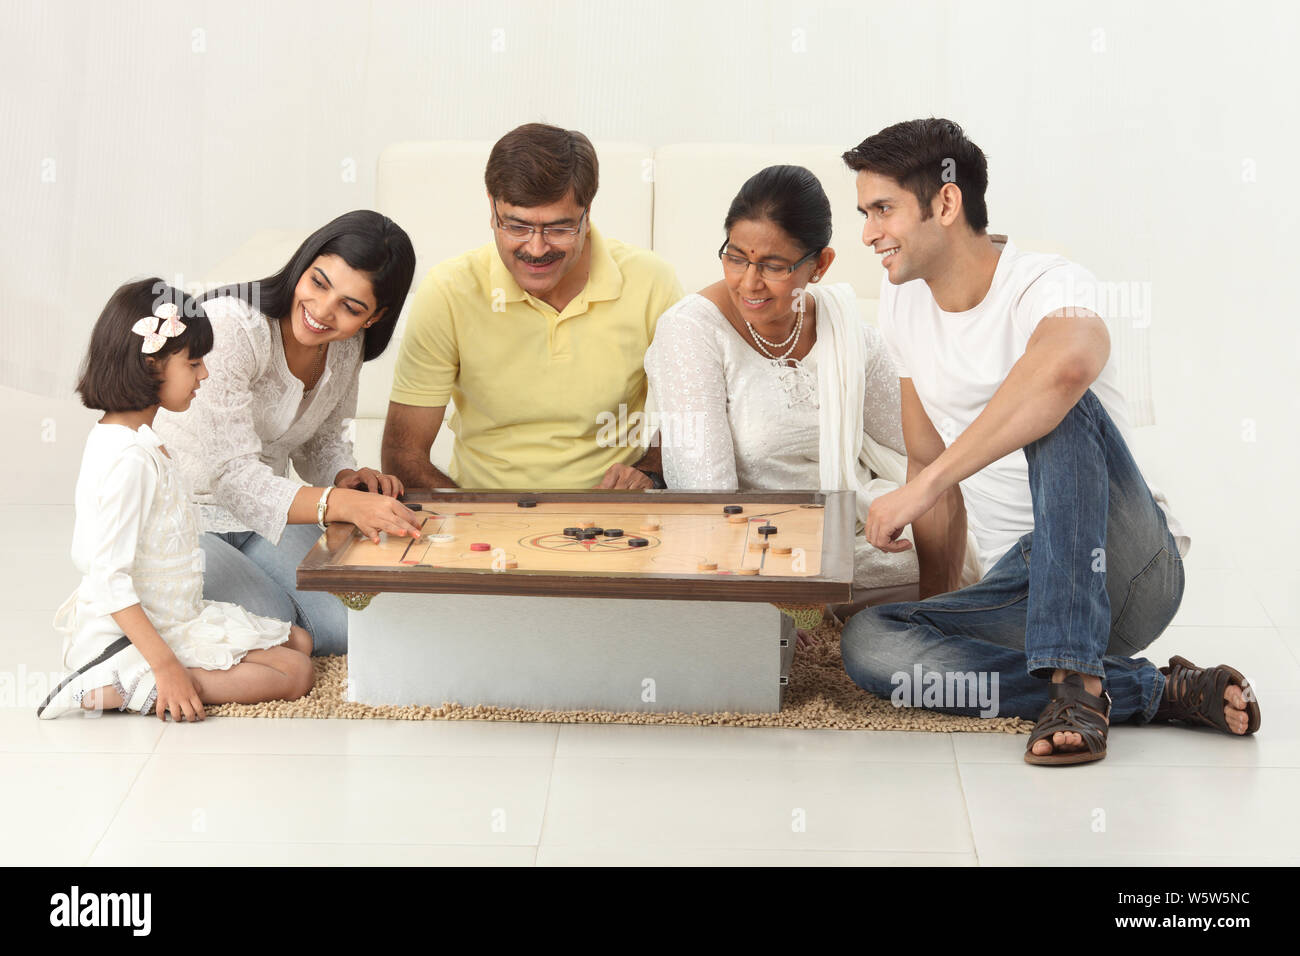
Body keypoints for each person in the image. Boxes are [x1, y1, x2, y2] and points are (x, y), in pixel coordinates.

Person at [837, 119, 1261, 764]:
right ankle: (1149, 689)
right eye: (866, 213)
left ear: (946, 203)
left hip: (1122, 568)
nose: (869, 233)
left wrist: (920, 487)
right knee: (872, 644)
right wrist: (938, 616)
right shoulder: (902, 305)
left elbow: (1064, 370)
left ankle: (1080, 678)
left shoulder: (1049, 284)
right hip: (1027, 586)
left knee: (1057, 400)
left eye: (882, 211)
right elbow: (927, 462)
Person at [645, 165, 983, 616]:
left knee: (956, 553)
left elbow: (915, 448)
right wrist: (761, 599)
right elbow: (706, 496)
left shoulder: (848, 332)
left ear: (820, 265)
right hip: (752, 543)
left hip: (857, 531)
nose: (749, 282)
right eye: (736, 256)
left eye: (774, 266)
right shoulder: (690, 331)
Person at [40, 279, 315, 721]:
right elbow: (109, 578)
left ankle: (158, 671)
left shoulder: (139, 439)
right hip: (127, 632)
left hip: (176, 614)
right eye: (194, 362)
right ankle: (132, 682)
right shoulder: (127, 458)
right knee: (295, 674)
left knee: (298, 644)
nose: (204, 374)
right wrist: (167, 666)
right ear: (152, 365)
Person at [154, 211, 424, 656]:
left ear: (375, 317)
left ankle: (227, 624)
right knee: (272, 622)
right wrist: (339, 504)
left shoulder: (346, 345)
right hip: (185, 518)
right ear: (303, 263)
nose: (323, 311)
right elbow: (232, 479)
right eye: (319, 283)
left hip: (264, 517)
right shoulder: (231, 328)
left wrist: (345, 477)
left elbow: (322, 439)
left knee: (347, 630)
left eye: (351, 307)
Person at [383, 123, 683, 491]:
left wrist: (650, 471)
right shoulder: (447, 291)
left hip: (613, 522)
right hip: (481, 525)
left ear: (587, 214)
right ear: (492, 210)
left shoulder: (652, 282)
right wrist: (479, 518)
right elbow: (403, 454)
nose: (537, 249)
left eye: (558, 228)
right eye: (518, 226)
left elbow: (690, 417)